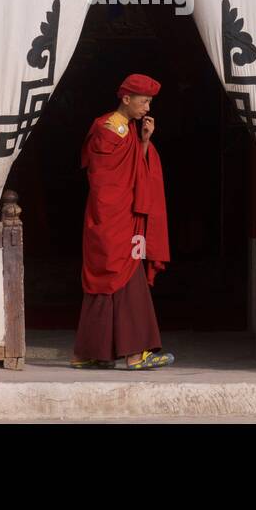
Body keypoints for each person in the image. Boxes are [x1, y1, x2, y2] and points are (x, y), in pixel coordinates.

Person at [70, 73, 175, 370]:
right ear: (126, 99)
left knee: (107, 284)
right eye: (143, 102)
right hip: (113, 219)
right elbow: (106, 182)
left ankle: (89, 353)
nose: (147, 108)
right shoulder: (108, 130)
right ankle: (134, 354)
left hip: (123, 217)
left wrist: (143, 142)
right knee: (127, 279)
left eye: (150, 103)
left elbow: (134, 171)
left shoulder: (128, 130)